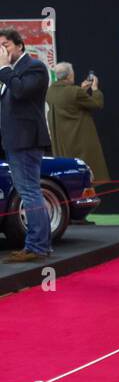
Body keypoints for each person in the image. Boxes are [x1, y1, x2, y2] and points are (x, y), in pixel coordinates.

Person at [0, 28, 54, 262]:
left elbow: (21, 92)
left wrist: (4, 68)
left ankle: (37, 246)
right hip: (13, 141)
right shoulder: (10, 73)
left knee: (30, 192)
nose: (1, 51)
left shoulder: (34, 67)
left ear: (20, 45)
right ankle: (39, 245)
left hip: (26, 141)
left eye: (5, 45)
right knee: (28, 192)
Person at [47, 62, 109, 186]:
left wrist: (81, 90)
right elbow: (97, 104)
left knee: (71, 180)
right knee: (86, 176)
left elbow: (68, 102)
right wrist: (95, 89)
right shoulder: (75, 92)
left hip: (62, 143)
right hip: (79, 141)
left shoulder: (50, 91)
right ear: (69, 75)